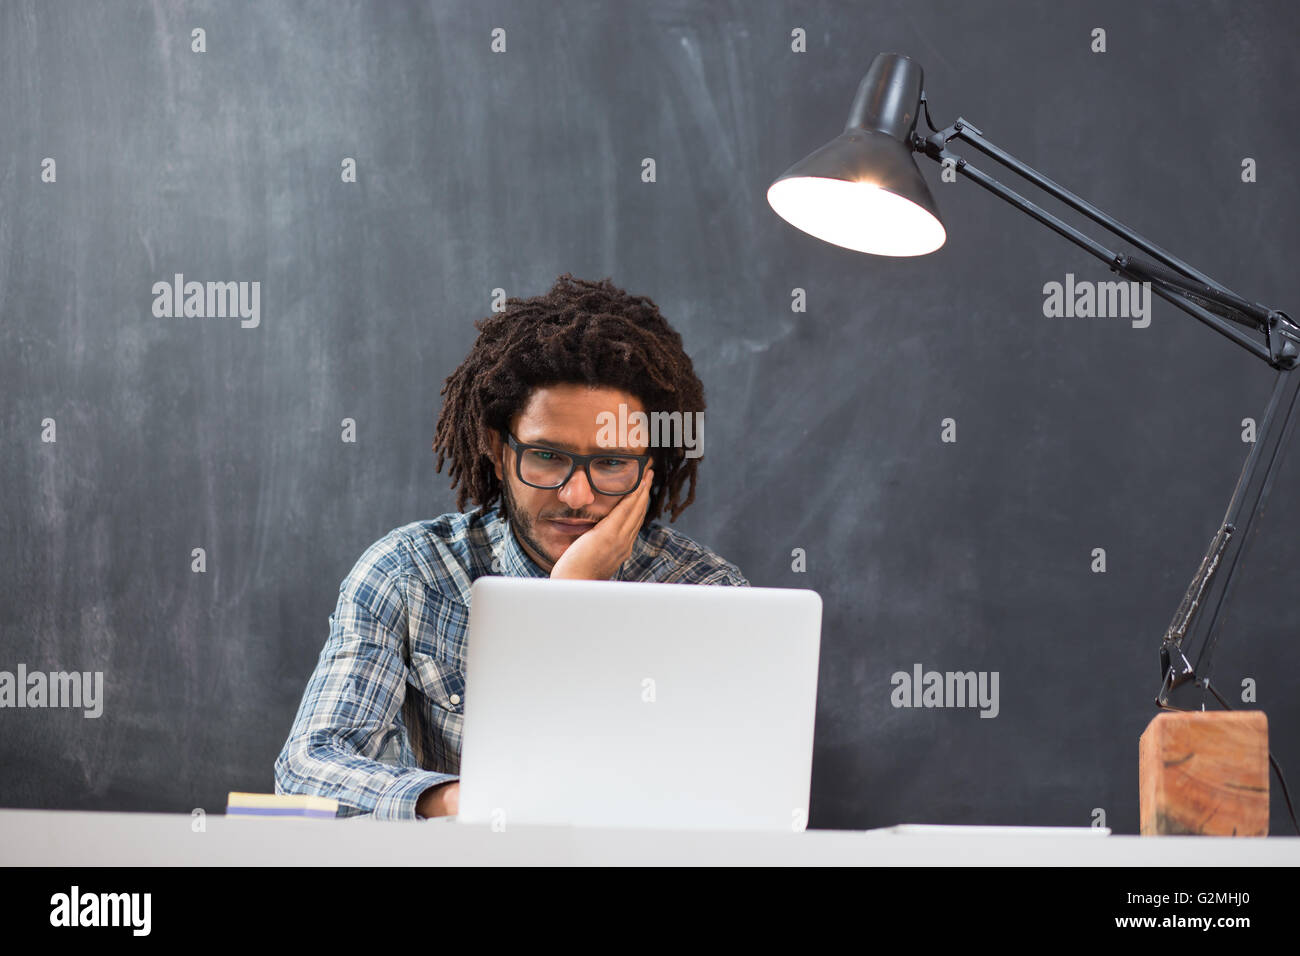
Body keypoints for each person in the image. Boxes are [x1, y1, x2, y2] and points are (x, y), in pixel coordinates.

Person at [274, 274, 749, 819]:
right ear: (497, 450)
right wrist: (471, 800)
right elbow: (310, 767)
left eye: (612, 463)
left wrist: (571, 598)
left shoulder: (706, 594)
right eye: (547, 456)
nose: (577, 495)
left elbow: (721, 800)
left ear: (649, 470)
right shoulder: (410, 573)